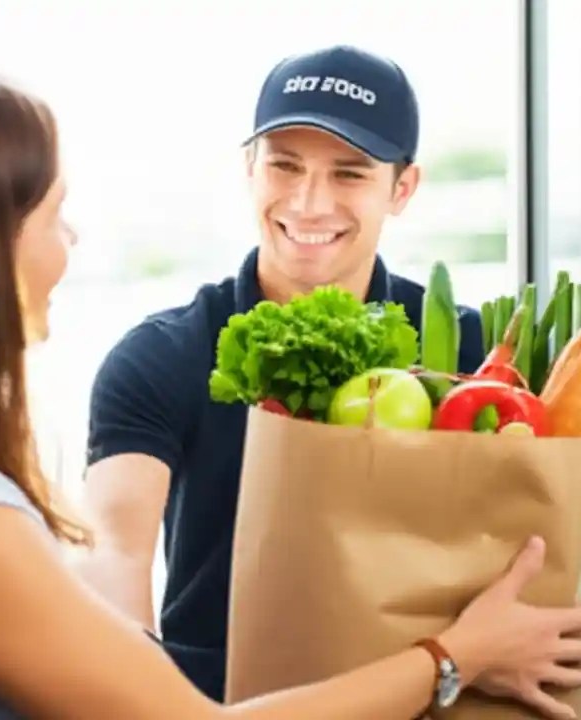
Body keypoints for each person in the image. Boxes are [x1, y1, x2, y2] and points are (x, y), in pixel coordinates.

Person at [0, 62, 581, 720]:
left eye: (349, 172)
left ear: (402, 189)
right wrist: (454, 657)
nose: (73, 242)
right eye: (53, 215)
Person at [79, 44, 511, 701]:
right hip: (217, 705)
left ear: (403, 188)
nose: (309, 203)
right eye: (284, 165)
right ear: (249, 169)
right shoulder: (162, 356)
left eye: (349, 174)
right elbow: (117, 554)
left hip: (427, 696)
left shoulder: (468, 351)